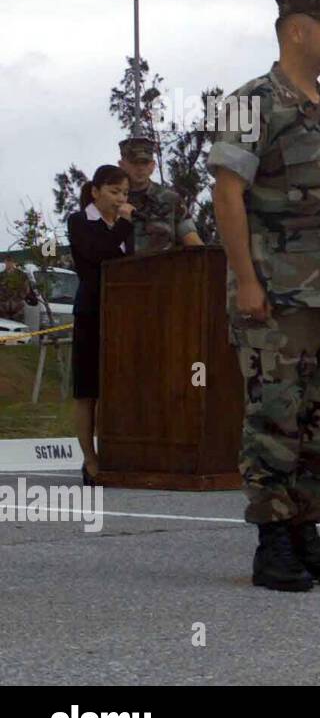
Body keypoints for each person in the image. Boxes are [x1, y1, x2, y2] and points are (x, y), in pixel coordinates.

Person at [209, 0, 320, 592]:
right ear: (296, 29)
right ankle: (272, 543)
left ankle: (306, 532)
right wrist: (246, 281)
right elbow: (228, 194)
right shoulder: (253, 102)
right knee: (274, 418)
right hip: (276, 297)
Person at [66, 164, 135, 485]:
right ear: (95, 191)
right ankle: (90, 459)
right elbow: (99, 255)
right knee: (87, 391)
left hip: (122, 314)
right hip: (91, 312)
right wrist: (123, 224)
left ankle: (119, 454)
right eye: (113, 192)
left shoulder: (123, 225)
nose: (120, 199)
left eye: (124, 193)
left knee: (119, 386)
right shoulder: (80, 221)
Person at [117, 135, 202, 254]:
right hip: (121, 270)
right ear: (122, 165)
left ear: (152, 166)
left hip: (164, 269)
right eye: (134, 162)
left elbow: (192, 241)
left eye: (145, 163)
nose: (140, 168)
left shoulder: (171, 200)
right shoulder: (112, 201)